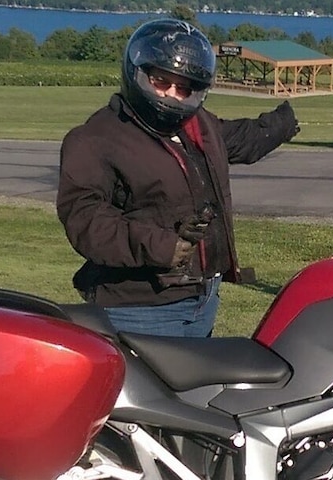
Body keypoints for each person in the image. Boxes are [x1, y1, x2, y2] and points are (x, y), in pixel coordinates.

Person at [56, 19, 300, 338]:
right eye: (161, 82)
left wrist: (281, 124)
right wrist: (163, 245)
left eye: (183, 88)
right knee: (145, 389)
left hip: (202, 296)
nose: (171, 95)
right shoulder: (95, 139)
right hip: (140, 307)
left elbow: (239, 139)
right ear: (138, 74)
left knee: (195, 388)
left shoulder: (197, 127)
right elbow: (86, 221)